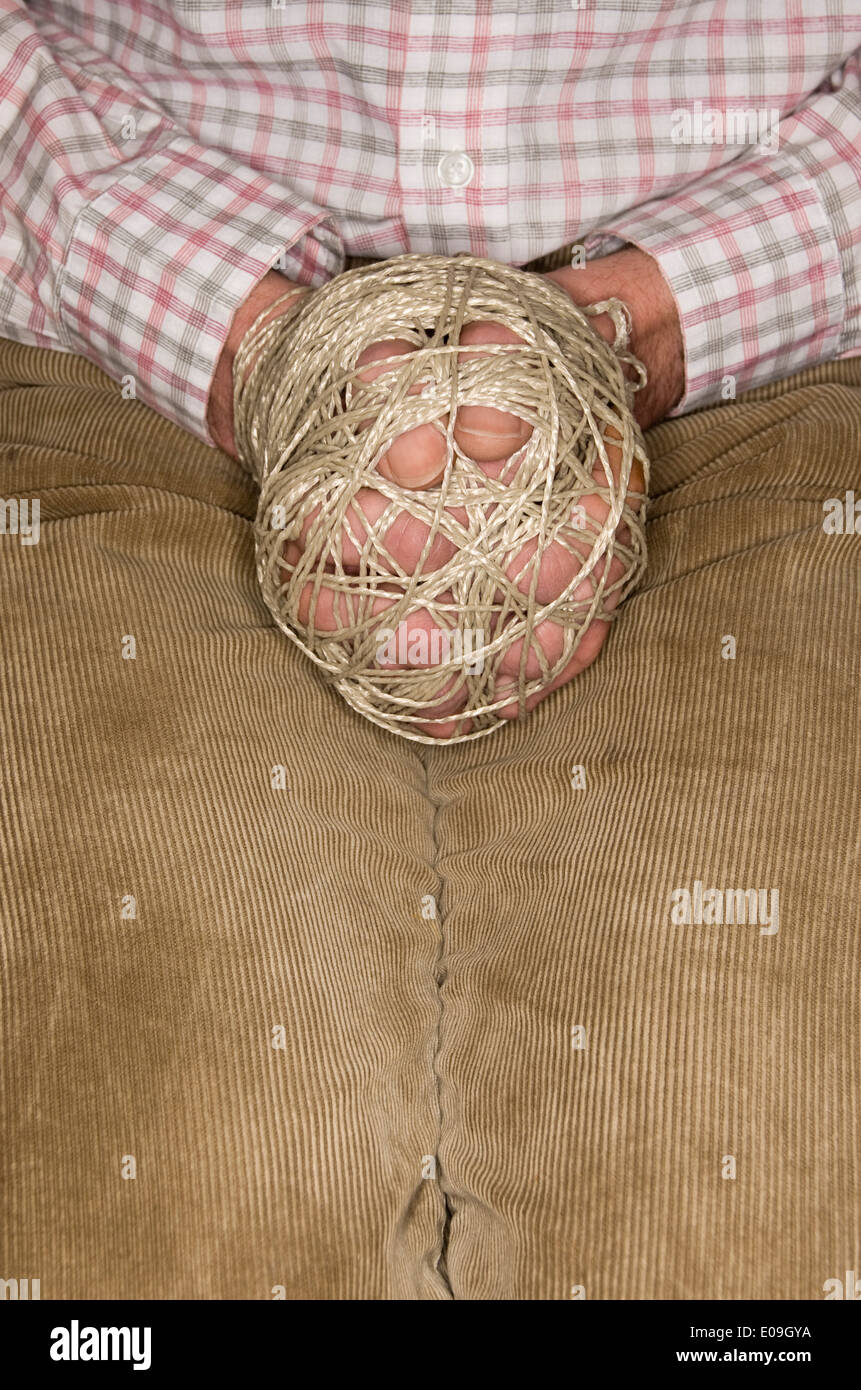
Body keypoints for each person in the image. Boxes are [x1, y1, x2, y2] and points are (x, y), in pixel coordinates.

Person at [1, 1, 859, 1300]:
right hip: (102, 305)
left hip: (781, 331)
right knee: (160, 1159)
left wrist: (659, 314)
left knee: (743, 1173)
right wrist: (251, 340)